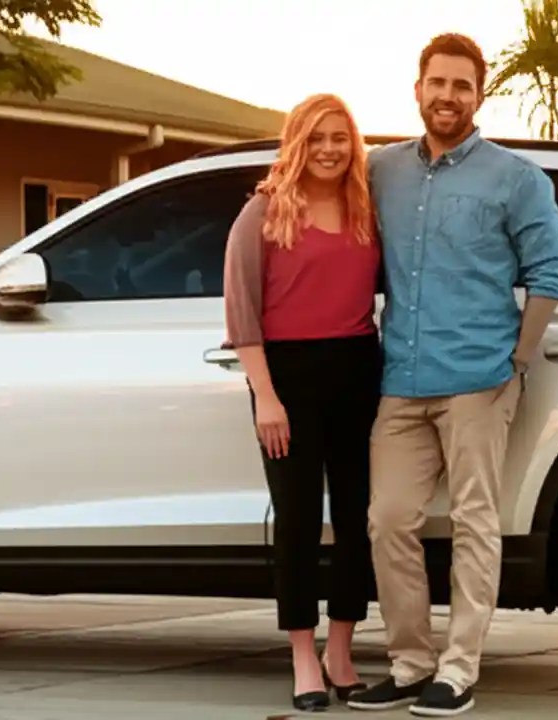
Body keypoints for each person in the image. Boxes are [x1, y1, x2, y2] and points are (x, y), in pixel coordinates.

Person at [346, 33, 558, 717]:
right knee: (387, 521)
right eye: (437, 83)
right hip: (401, 380)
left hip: (479, 376)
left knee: (476, 522)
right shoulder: (382, 169)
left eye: (462, 86)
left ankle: (459, 669)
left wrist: (519, 361)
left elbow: (550, 271)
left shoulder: (516, 178)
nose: (448, 97)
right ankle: (411, 663)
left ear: (480, 95)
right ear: (418, 89)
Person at [222, 93, 384, 712]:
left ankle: (341, 648)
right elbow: (241, 314)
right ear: (296, 142)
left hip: (357, 368)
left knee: (356, 516)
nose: (328, 150)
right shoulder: (262, 213)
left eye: (339, 138)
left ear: (354, 144)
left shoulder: (366, 208)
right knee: (294, 521)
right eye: (316, 138)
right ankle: (301, 655)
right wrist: (266, 397)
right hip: (285, 378)